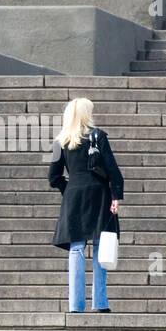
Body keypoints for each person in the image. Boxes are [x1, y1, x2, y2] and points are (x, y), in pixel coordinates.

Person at [49, 97, 124, 313]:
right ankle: (100, 303)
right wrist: (116, 195)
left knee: (76, 247)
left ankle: (75, 304)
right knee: (102, 246)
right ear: (86, 114)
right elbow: (111, 168)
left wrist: (69, 189)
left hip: (74, 196)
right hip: (99, 193)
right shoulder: (98, 136)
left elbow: (53, 177)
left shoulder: (59, 141)